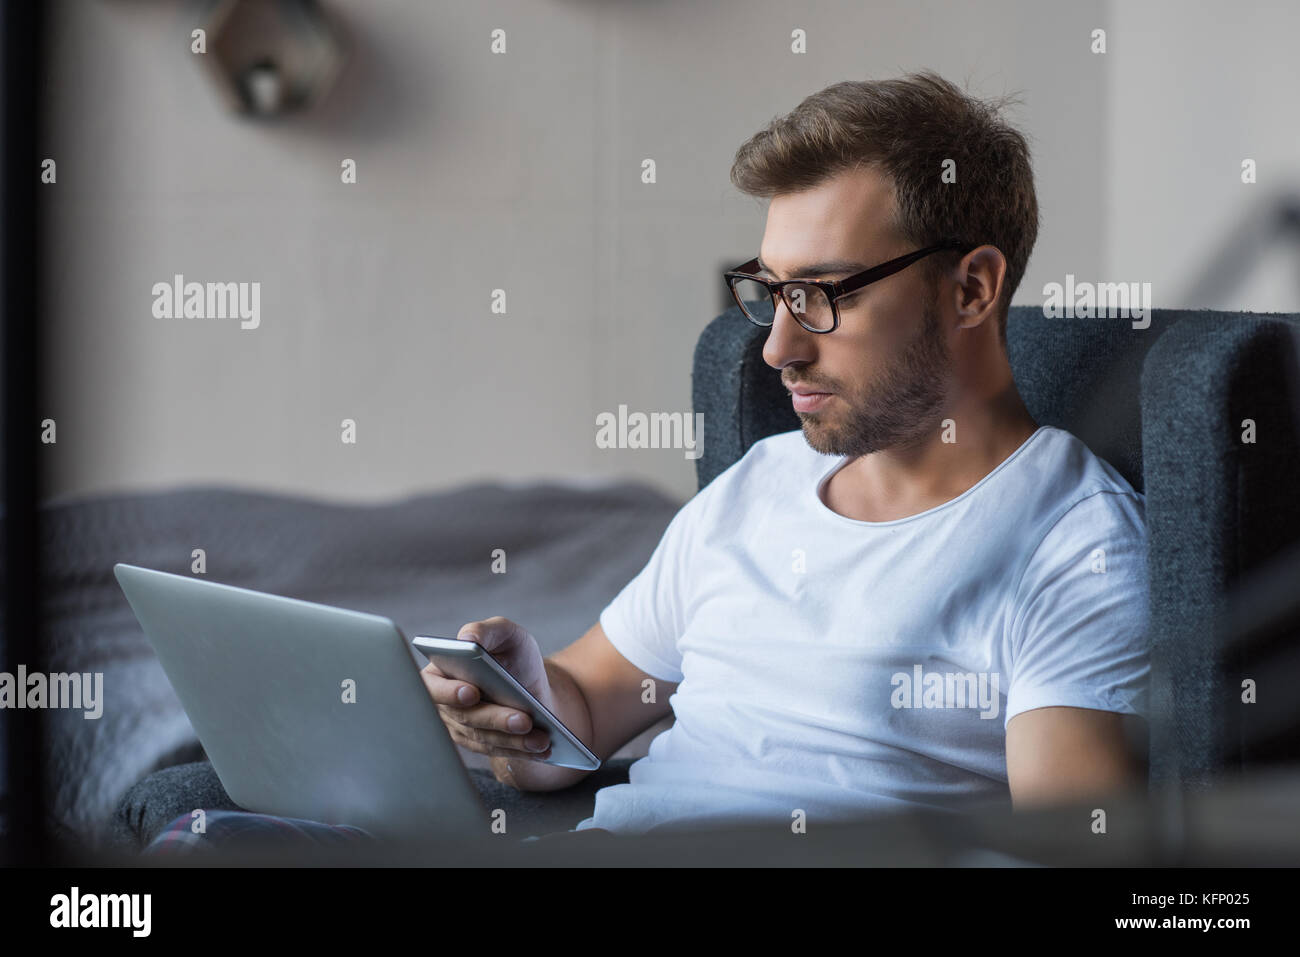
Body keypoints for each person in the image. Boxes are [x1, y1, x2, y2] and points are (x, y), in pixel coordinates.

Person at [145, 70, 1149, 851]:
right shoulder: (757, 487)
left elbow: (1073, 856)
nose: (777, 348)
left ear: (971, 290)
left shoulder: (1068, 547)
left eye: (825, 295)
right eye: (770, 292)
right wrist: (520, 706)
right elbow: (581, 715)